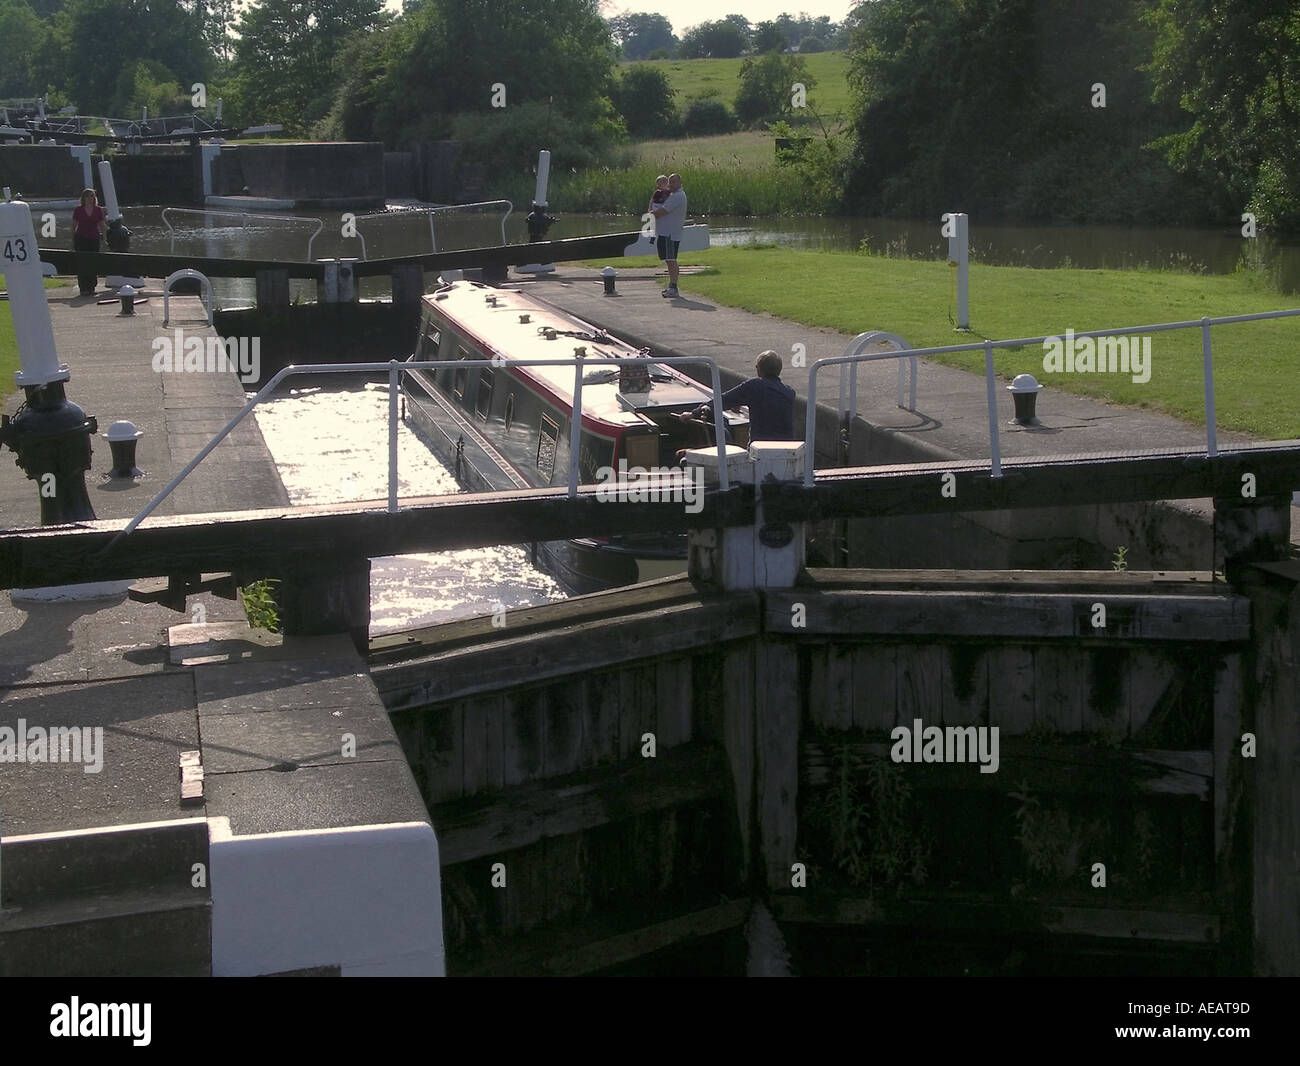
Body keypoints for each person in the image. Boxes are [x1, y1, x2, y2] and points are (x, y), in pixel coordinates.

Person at [683, 350, 797, 443]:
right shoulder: (789, 393)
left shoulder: (755, 386)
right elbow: (769, 403)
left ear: (759, 369)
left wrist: (693, 413)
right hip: (786, 446)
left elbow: (723, 401)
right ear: (779, 370)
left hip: (761, 447)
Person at [651, 172, 686, 298]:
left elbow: (662, 212)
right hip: (665, 233)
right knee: (668, 260)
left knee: (671, 260)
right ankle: (671, 286)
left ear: (680, 183)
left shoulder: (677, 196)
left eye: (674, 182)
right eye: (670, 182)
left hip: (671, 234)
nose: (671, 184)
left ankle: (673, 287)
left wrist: (650, 215)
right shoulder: (671, 195)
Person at [71, 187, 105, 297]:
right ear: (83, 198)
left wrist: (105, 237)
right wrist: (73, 239)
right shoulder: (78, 210)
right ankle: (83, 287)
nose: (90, 198)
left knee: (92, 262)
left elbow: (102, 225)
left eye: (92, 196)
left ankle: (91, 287)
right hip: (81, 238)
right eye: (87, 196)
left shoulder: (98, 209)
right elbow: (74, 225)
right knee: (82, 263)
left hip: (94, 238)